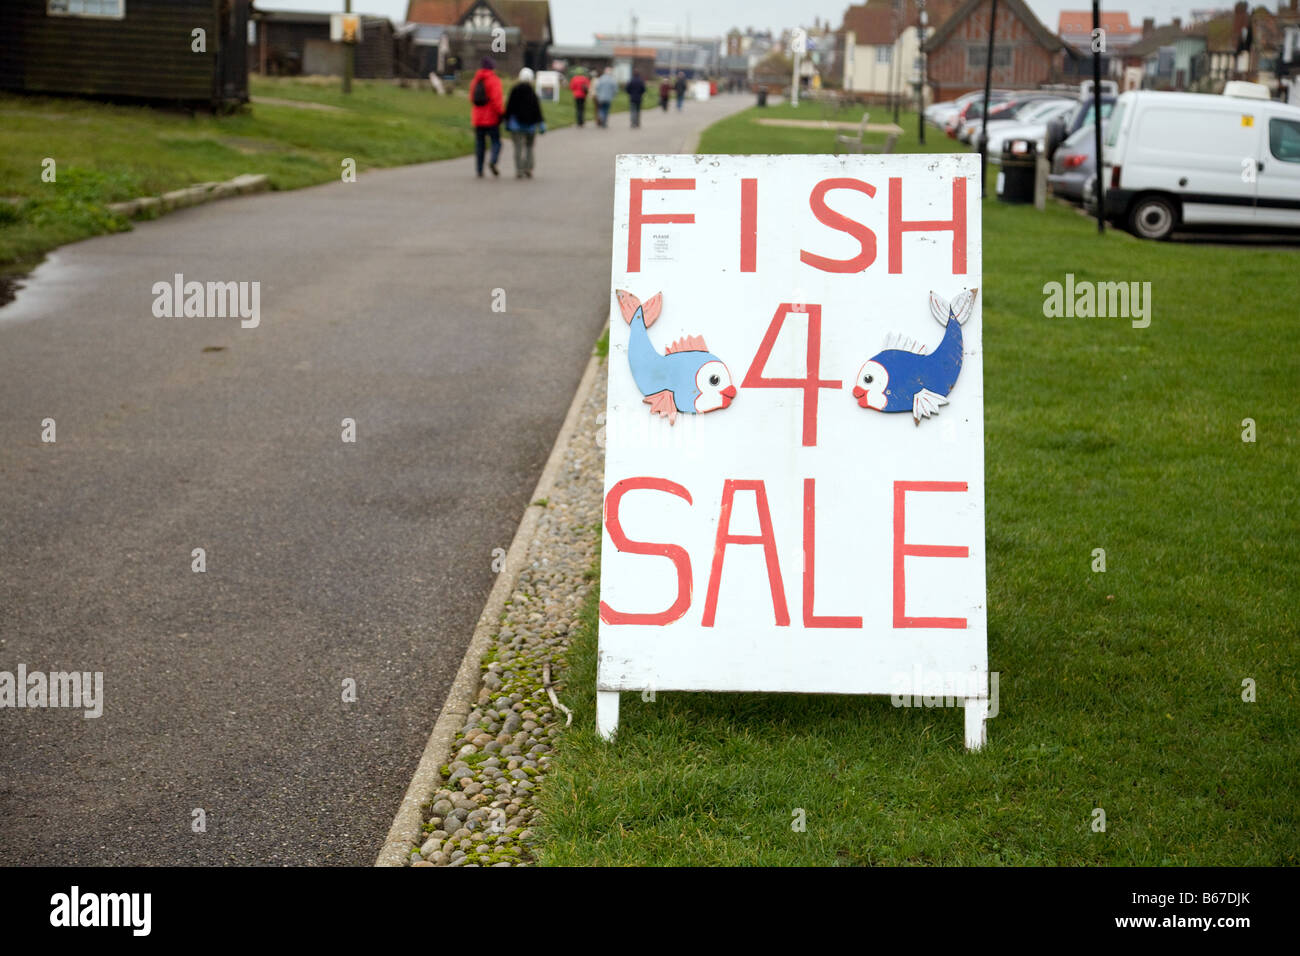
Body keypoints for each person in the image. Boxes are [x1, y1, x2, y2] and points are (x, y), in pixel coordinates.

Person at [504, 68, 545, 179]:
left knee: (518, 147)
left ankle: (519, 169)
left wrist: (506, 121)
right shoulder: (532, 93)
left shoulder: (514, 90)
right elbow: (537, 110)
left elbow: (509, 107)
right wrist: (541, 123)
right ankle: (528, 167)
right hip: (530, 126)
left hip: (516, 125)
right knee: (529, 147)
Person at [469, 57, 504, 178]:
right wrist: (501, 113)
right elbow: (496, 100)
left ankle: (479, 170)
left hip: (478, 119)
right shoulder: (494, 80)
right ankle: (493, 161)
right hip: (491, 118)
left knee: (480, 145)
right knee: (496, 142)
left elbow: (471, 98)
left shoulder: (475, 80)